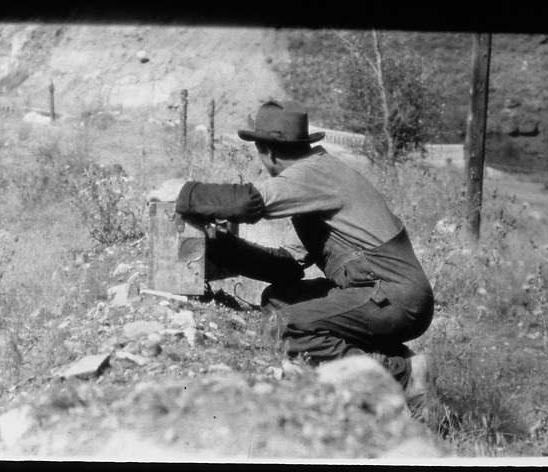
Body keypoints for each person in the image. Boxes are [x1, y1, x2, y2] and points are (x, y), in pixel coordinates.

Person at [147, 100, 433, 396]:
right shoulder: (321, 175)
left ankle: (403, 377)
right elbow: (286, 267)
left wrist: (184, 192)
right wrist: (220, 245)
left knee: (282, 328)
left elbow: (247, 201)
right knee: (279, 300)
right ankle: (396, 357)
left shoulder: (313, 174)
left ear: (267, 152)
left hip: (394, 296)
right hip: (380, 291)